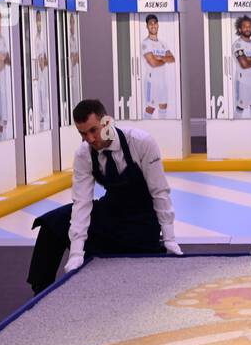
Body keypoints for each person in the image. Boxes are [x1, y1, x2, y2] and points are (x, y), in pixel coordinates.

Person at [27, 99, 181, 292]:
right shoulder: (84, 154)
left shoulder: (141, 142)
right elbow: (81, 202)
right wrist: (76, 253)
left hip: (142, 222)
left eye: (93, 130)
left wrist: (169, 239)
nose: (90, 139)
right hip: (111, 214)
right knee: (52, 223)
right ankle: (40, 292)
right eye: (83, 133)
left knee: (137, 268)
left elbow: (160, 192)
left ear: (107, 122)